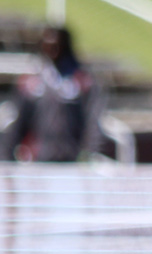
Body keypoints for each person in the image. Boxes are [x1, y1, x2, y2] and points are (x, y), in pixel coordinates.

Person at [0, 26, 105, 163]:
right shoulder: (31, 82)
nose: (53, 47)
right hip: (37, 160)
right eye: (48, 42)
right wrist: (7, 158)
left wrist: (89, 155)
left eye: (57, 43)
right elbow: (17, 123)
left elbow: (93, 122)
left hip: (71, 160)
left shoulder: (82, 81)